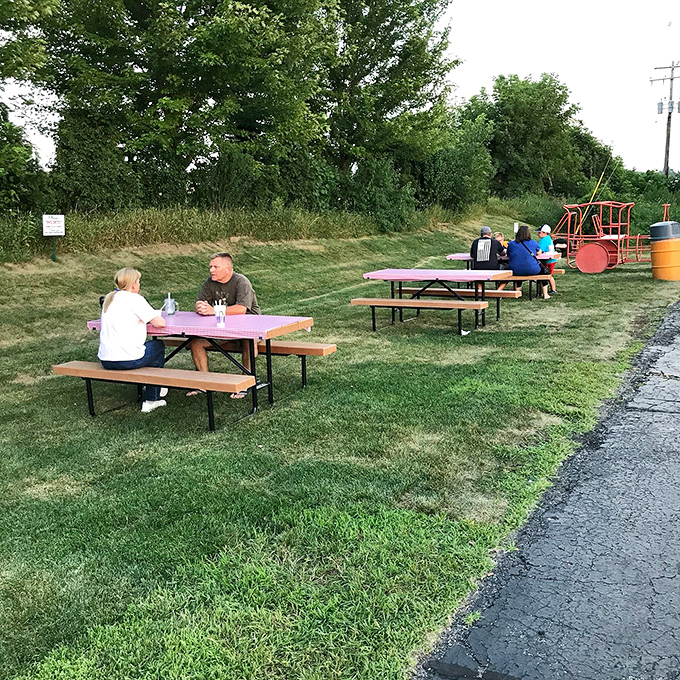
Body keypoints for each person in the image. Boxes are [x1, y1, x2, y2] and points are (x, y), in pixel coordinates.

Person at [189, 252, 261, 398]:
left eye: (216, 267)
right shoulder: (209, 282)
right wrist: (200, 306)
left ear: (228, 269)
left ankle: (245, 382)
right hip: (221, 328)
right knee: (196, 343)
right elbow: (201, 301)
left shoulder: (241, 282)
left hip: (248, 326)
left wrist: (212, 310)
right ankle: (204, 383)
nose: (211, 270)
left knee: (249, 341)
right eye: (210, 267)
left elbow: (241, 309)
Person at [98, 268, 169, 412]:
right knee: (158, 346)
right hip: (128, 359)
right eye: (138, 281)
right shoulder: (135, 299)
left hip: (106, 359)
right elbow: (160, 323)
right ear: (133, 284)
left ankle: (152, 386)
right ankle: (152, 397)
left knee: (150, 350)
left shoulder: (109, 299)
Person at [506, 225, 551, 300]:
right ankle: (545, 294)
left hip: (515, 270)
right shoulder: (533, 242)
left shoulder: (511, 244)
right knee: (543, 271)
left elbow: (508, 254)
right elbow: (539, 252)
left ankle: (517, 292)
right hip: (532, 269)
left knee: (519, 268)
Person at [537, 224, 558, 294]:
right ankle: (552, 289)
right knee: (549, 274)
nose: (538, 234)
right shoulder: (548, 238)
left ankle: (553, 289)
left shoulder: (543, 240)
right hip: (551, 259)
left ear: (545, 233)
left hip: (548, 260)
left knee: (548, 275)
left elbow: (539, 251)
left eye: (540, 232)